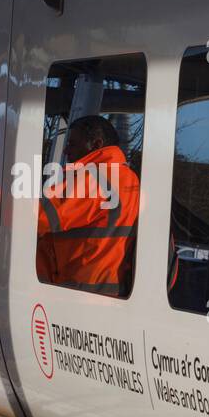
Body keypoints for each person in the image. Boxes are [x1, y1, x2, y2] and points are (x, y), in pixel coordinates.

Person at [36, 114, 140, 297]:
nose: (66, 150)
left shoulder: (96, 179)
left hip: (76, 294)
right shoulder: (130, 181)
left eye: (73, 144)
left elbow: (39, 216)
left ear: (97, 144)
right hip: (107, 291)